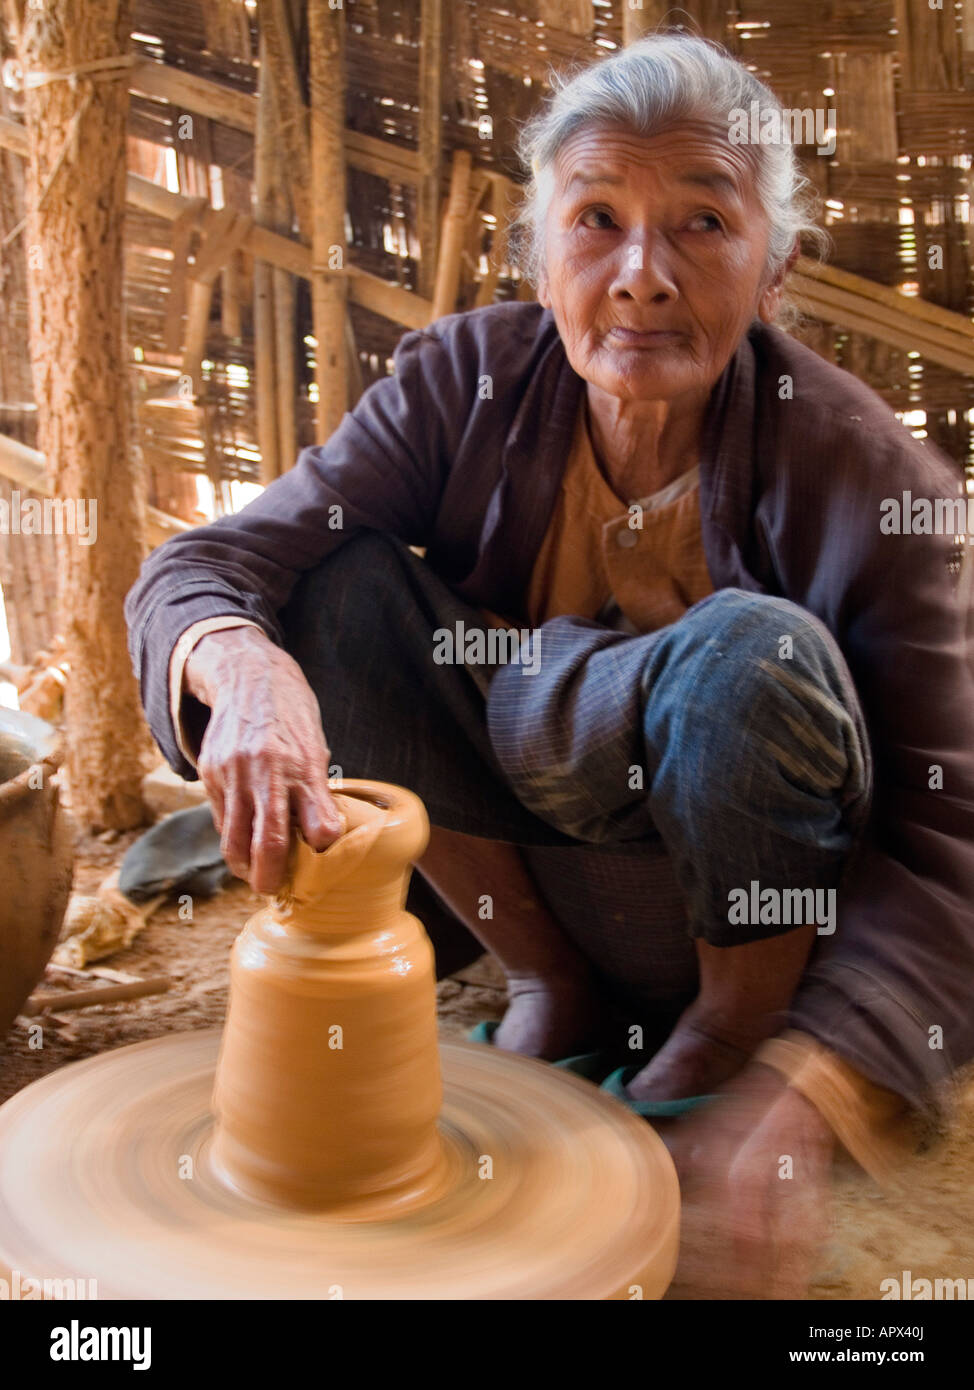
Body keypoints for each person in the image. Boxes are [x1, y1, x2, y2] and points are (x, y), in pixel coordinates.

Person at [125, 33, 974, 1296]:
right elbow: (210, 564)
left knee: (753, 655)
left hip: (757, 926)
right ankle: (549, 983)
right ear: (540, 256)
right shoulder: (463, 385)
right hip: (531, 865)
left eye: (699, 222)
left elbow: (950, 845)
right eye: (596, 220)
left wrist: (798, 1090)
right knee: (329, 587)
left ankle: (717, 1039)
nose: (641, 276)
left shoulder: (861, 473)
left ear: (774, 269)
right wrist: (240, 667)